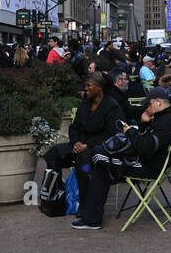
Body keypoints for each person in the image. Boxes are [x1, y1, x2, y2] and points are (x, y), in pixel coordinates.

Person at [72, 87, 171, 230]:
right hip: (153, 163)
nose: (147, 108)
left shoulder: (166, 122)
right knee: (101, 162)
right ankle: (92, 213)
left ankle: (92, 217)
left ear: (158, 102)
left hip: (149, 168)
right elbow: (148, 141)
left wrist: (130, 131)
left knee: (99, 158)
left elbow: (146, 147)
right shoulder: (169, 117)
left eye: (149, 104)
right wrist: (144, 123)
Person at [42, 74, 123, 210]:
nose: (86, 89)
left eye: (89, 86)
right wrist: (76, 142)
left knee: (83, 163)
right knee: (54, 153)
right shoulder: (86, 103)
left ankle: (85, 206)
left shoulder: (111, 106)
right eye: (85, 86)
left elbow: (111, 133)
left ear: (99, 87)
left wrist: (88, 145)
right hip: (79, 143)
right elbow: (74, 126)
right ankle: (58, 197)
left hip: (98, 147)